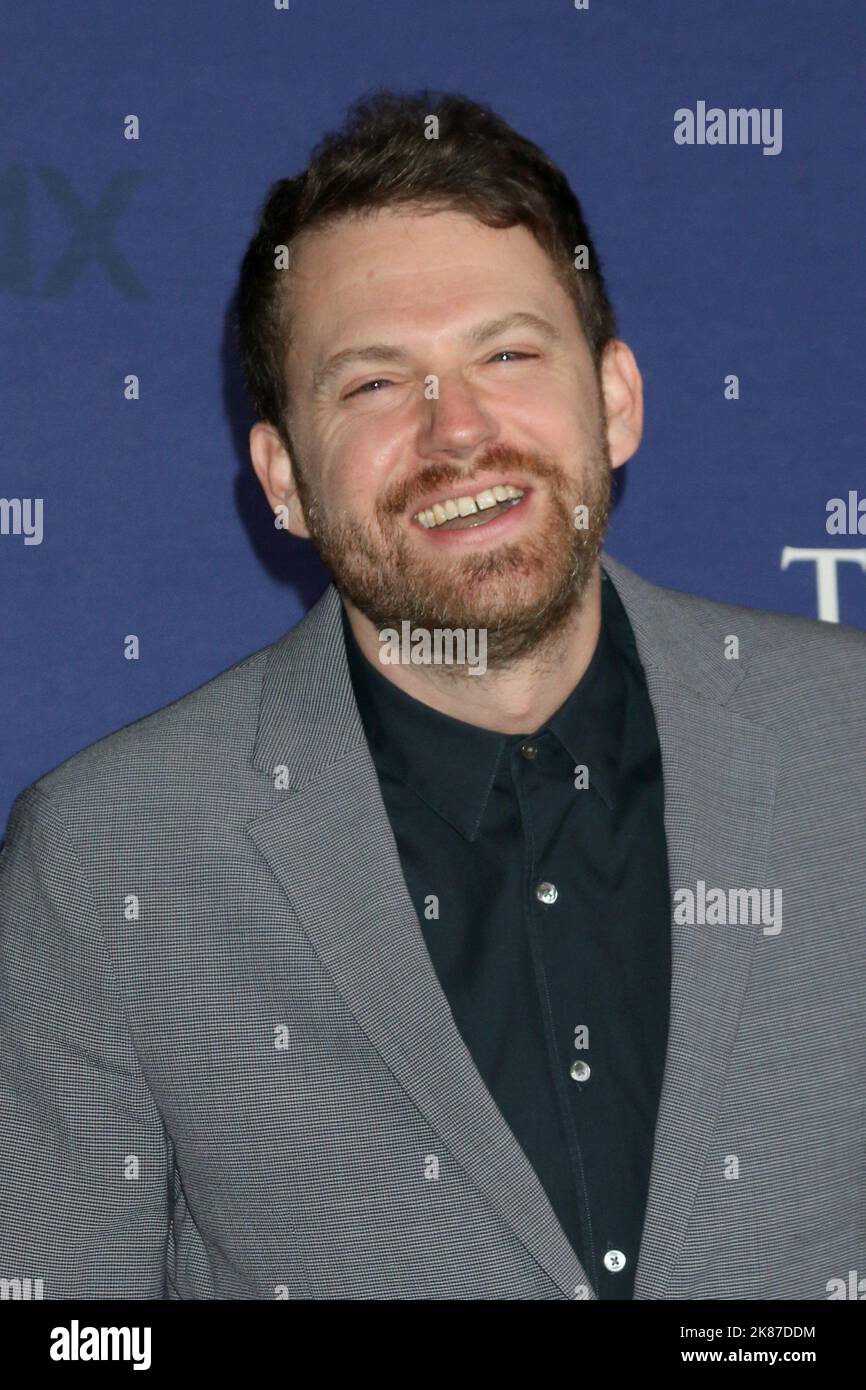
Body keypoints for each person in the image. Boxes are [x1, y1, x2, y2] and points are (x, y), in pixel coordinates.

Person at [1, 90, 863, 1301]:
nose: (454, 432)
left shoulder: (851, 749)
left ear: (613, 400)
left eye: (507, 355)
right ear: (283, 480)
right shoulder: (106, 861)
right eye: (370, 384)